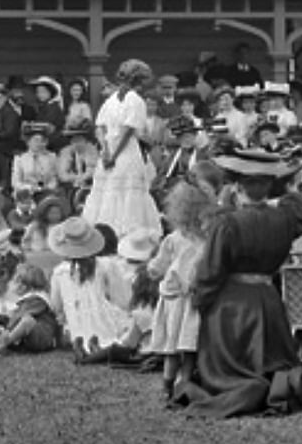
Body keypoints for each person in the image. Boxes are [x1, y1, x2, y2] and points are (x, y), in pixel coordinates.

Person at [176, 148, 302, 417]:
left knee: (232, 367)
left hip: (231, 306)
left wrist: (200, 298)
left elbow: (211, 271)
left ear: (237, 185)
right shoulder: (284, 218)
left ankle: (247, 389)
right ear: (270, 186)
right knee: (275, 356)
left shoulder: (227, 223)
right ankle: (286, 385)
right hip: (268, 300)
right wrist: (280, 185)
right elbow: (301, 207)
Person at [149, 183, 216, 405]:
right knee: (186, 345)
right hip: (186, 299)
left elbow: (159, 264)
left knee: (177, 346)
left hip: (179, 298)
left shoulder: (176, 239)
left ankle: (171, 385)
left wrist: (153, 270)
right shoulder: (203, 240)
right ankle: (180, 384)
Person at [83, 59, 163, 237]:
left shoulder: (111, 99)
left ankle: (109, 234)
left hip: (110, 150)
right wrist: (111, 154)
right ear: (139, 80)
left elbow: (101, 128)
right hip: (125, 153)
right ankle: (124, 235)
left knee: (112, 193)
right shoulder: (135, 100)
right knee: (124, 193)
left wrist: (106, 150)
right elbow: (128, 132)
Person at [46, 216, 143, 364]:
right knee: (136, 328)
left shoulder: (59, 272)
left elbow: (57, 307)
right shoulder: (106, 265)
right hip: (107, 325)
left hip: (75, 328)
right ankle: (100, 352)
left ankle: (88, 349)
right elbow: (123, 300)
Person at [11, 123, 61, 195]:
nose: (39, 144)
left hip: (47, 193)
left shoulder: (51, 157)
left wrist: (48, 188)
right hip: (26, 195)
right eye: (36, 140)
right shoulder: (20, 158)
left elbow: (54, 178)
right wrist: (30, 188)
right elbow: (15, 182)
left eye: (42, 141)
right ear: (28, 142)